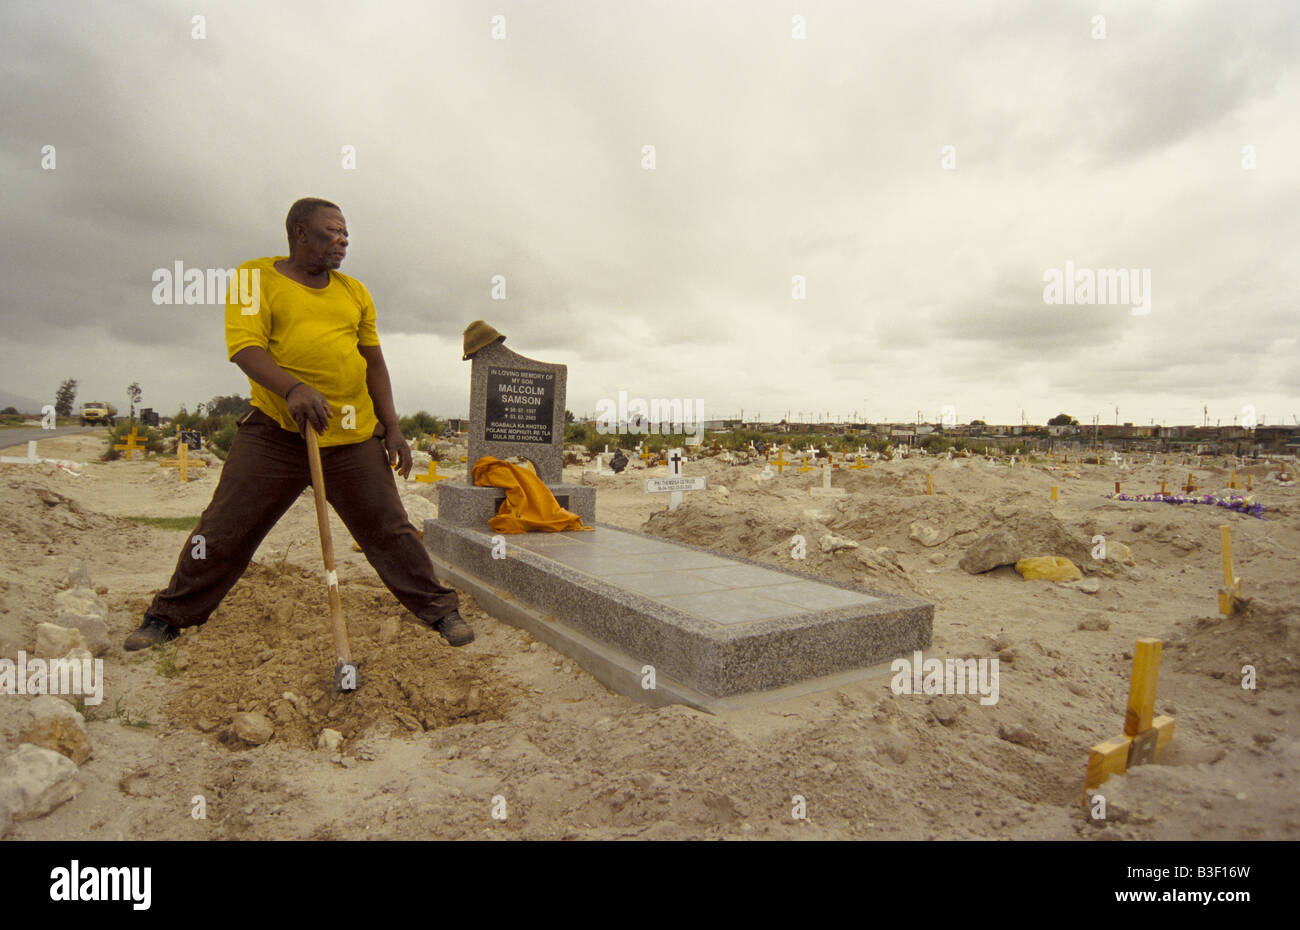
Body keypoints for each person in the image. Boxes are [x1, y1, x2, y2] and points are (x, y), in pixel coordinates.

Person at [124, 198, 472, 650]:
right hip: (276, 432)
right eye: (332, 232)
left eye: (346, 234)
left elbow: (374, 364)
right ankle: (168, 615)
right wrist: (292, 389)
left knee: (391, 529)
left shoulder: (354, 292)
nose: (343, 241)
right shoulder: (255, 278)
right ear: (300, 232)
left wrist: (392, 426)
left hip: (351, 435)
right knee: (224, 529)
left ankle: (441, 611)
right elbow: (245, 348)